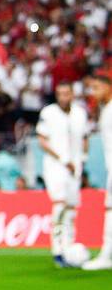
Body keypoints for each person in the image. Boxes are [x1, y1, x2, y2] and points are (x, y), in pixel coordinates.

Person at [36, 81, 89, 267]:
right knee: (59, 205)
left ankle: (69, 246)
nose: (64, 97)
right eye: (60, 93)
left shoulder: (80, 113)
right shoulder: (48, 113)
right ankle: (57, 249)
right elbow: (42, 140)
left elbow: (84, 138)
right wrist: (62, 159)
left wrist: (82, 159)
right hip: (56, 166)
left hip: (75, 167)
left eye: (67, 93)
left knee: (72, 210)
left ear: (72, 94)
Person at [82, 71, 112, 270]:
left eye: (97, 88)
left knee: (110, 209)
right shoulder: (106, 109)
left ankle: (106, 255)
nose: (93, 92)